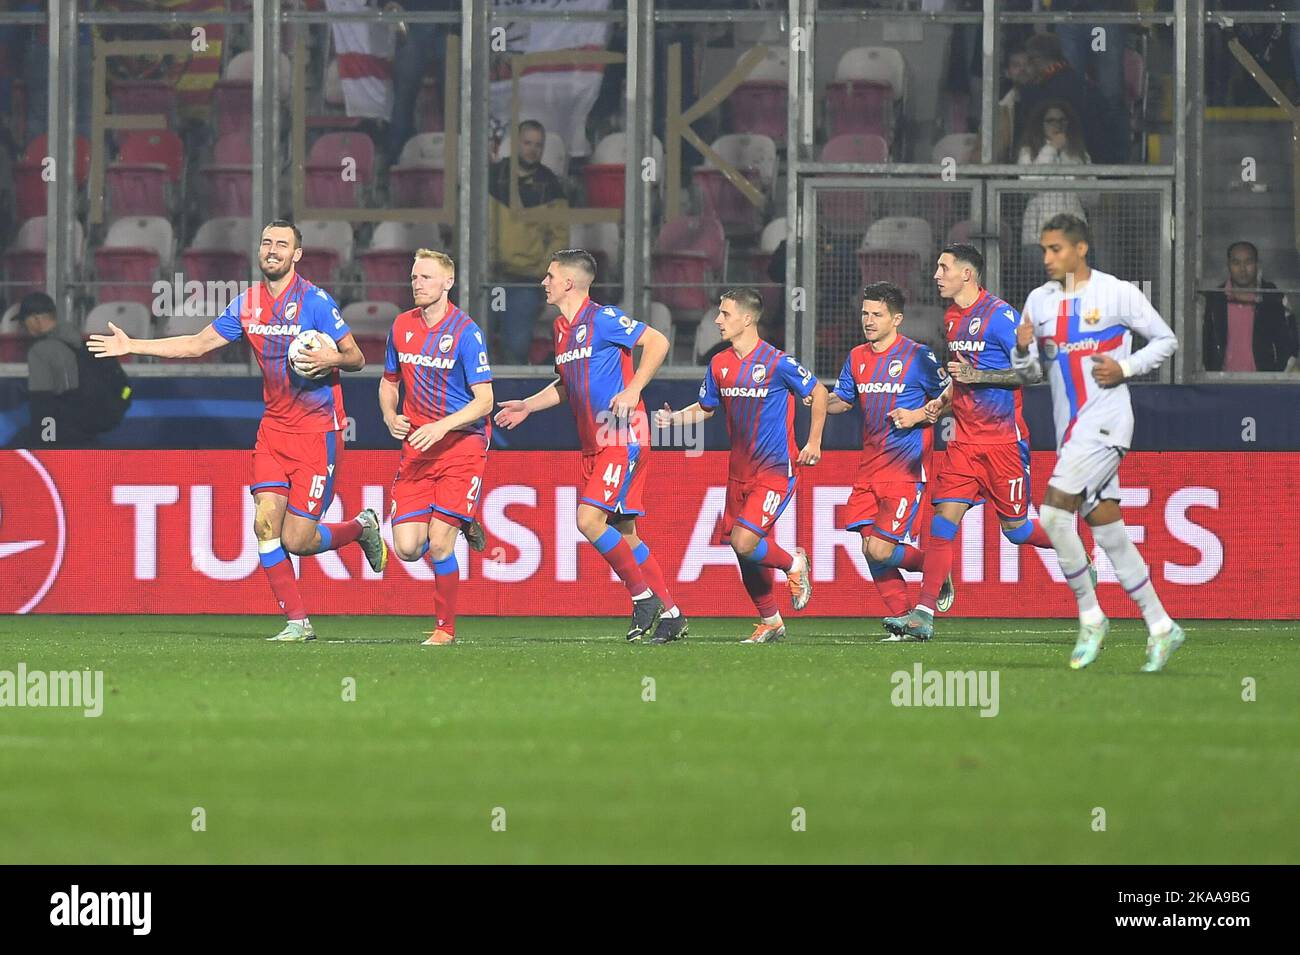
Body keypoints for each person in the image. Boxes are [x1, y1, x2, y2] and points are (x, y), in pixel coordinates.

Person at [88, 220, 386, 643]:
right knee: (266, 527)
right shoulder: (247, 304)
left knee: (298, 540)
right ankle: (297, 622)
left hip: (319, 433)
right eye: (267, 242)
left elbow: (356, 358)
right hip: (273, 433)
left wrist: (327, 359)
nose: (272, 250)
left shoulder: (316, 302)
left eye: (282, 244)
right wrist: (133, 346)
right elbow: (196, 344)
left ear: (296, 255)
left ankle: (361, 527)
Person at [1013, 213, 1184, 672]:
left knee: (1051, 512)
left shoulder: (1116, 293)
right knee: (1109, 533)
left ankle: (1090, 615)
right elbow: (1030, 374)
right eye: (1044, 250)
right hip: (1072, 432)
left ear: (1081, 249)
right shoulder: (1040, 302)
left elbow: (1166, 340)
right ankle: (1162, 625)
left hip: (1108, 423)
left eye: (1056, 249)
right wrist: (1022, 348)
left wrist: (1125, 369)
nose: (1048, 258)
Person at [494, 249, 684, 643]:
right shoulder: (561, 331)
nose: (542, 283)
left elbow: (658, 341)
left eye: (549, 276)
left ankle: (642, 598)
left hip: (621, 435)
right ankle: (672, 614)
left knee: (588, 520)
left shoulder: (604, 318)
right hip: (594, 444)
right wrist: (529, 405)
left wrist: (633, 389)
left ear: (568, 282)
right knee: (626, 533)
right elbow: (568, 385)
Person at [883, 243, 1058, 643]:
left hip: (1003, 445)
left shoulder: (1000, 316)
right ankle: (924, 614)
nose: (936, 274)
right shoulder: (951, 318)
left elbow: (1032, 372)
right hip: (963, 443)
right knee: (942, 521)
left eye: (944, 267)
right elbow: (959, 380)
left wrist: (979, 376)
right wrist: (928, 410)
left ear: (967, 274)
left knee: (1015, 530)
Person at [656, 288, 824, 644]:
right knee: (742, 550)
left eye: (725, 314)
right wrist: (673, 421)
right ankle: (772, 621)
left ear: (747, 319)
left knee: (745, 541)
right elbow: (706, 408)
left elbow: (819, 391)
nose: (717, 320)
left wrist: (813, 442)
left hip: (776, 471)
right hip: (739, 473)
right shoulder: (720, 364)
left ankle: (795, 563)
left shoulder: (778, 362)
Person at [379, 250, 493, 646]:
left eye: (426, 277)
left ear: (448, 282)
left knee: (439, 543)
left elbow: (484, 401)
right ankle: (461, 519)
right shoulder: (400, 326)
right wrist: (389, 415)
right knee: (409, 549)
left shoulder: (466, 332)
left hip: (462, 444)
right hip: (418, 449)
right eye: (414, 276)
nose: (417, 283)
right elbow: (388, 381)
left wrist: (442, 426)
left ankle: (445, 629)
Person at [825, 282, 948, 638]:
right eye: (865, 313)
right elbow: (843, 400)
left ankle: (934, 569)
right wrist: (816, 400)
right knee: (869, 549)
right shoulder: (857, 357)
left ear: (896, 319)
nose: (868, 320)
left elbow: (948, 399)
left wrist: (916, 416)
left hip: (906, 471)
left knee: (880, 548)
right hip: (868, 471)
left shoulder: (917, 356)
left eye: (877, 314)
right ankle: (903, 621)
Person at [488, 120, 569, 364]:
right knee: (477, 343)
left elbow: (559, 238)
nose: (532, 149)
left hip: (526, 282)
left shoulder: (551, 186)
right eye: (527, 143)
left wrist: (543, 273)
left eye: (538, 145)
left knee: (516, 346)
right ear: (516, 144)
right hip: (489, 278)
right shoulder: (492, 178)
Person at [1201, 241, 1299, 372]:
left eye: (1248, 262)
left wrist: (1277, 376)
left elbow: (1291, 342)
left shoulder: (1274, 297)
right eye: (1236, 263)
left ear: (1257, 264)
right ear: (1228, 265)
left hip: (1264, 384)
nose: (1242, 269)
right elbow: (1204, 343)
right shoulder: (1214, 299)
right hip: (1221, 385)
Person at [15, 292, 95, 447]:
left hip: (59, 434)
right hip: (85, 430)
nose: (24, 327)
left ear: (36, 318)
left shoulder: (40, 351)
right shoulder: (76, 340)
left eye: (25, 321)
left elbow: (43, 403)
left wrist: (44, 441)